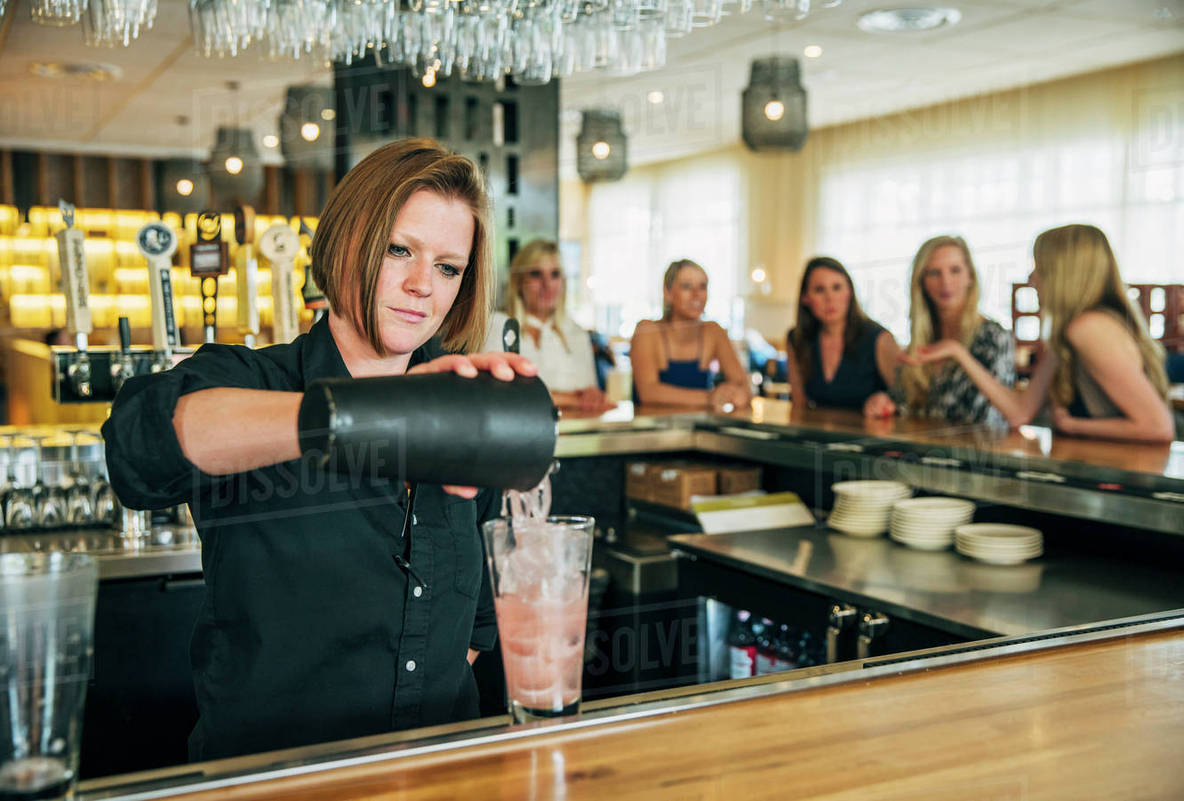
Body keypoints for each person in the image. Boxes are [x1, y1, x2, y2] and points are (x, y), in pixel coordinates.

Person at [101, 139, 537, 761]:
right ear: (344, 244)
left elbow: (481, 612)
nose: (421, 286)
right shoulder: (252, 380)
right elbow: (138, 453)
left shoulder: (461, 399)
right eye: (398, 250)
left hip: (435, 776)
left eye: (448, 267)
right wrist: (369, 418)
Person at [899, 224, 1174, 443]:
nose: (1032, 278)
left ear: (1065, 273)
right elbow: (1019, 412)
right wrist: (959, 351)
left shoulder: (1089, 328)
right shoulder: (1070, 332)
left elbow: (1158, 427)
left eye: (1040, 267)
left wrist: (1072, 425)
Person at [866, 235, 1014, 426]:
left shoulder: (994, 337)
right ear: (921, 282)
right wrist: (884, 402)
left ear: (970, 276)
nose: (946, 282)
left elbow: (987, 418)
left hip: (975, 453)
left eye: (955, 270)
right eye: (934, 273)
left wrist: (957, 352)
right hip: (922, 450)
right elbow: (906, 403)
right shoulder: (923, 336)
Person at [482, 239, 612, 412]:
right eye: (536, 274)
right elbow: (498, 395)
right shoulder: (498, 325)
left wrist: (588, 397)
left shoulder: (575, 333)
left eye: (555, 274)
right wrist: (572, 399)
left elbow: (591, 397)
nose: (547, 284)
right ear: (519, 282)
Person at [629, 259, 752, 412]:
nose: (696, 295)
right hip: (653, 432)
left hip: (697, 432)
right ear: (668, 293)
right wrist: (711, 397)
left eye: (702, 287)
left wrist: (736, 394)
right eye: (686, 286)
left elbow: (743, 386)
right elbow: (648, 393)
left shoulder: (714, 331)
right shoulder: (647, 331)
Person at [785, 256, 901, 411]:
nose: (830, 298)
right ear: (806, 298)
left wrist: (888, 401)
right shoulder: (797, 339)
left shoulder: (880, 338)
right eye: (819, 290)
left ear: (850, 292)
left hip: (872, 433)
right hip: (818, 433)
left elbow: (906, 399)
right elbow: (799, 407)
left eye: (837, 287)